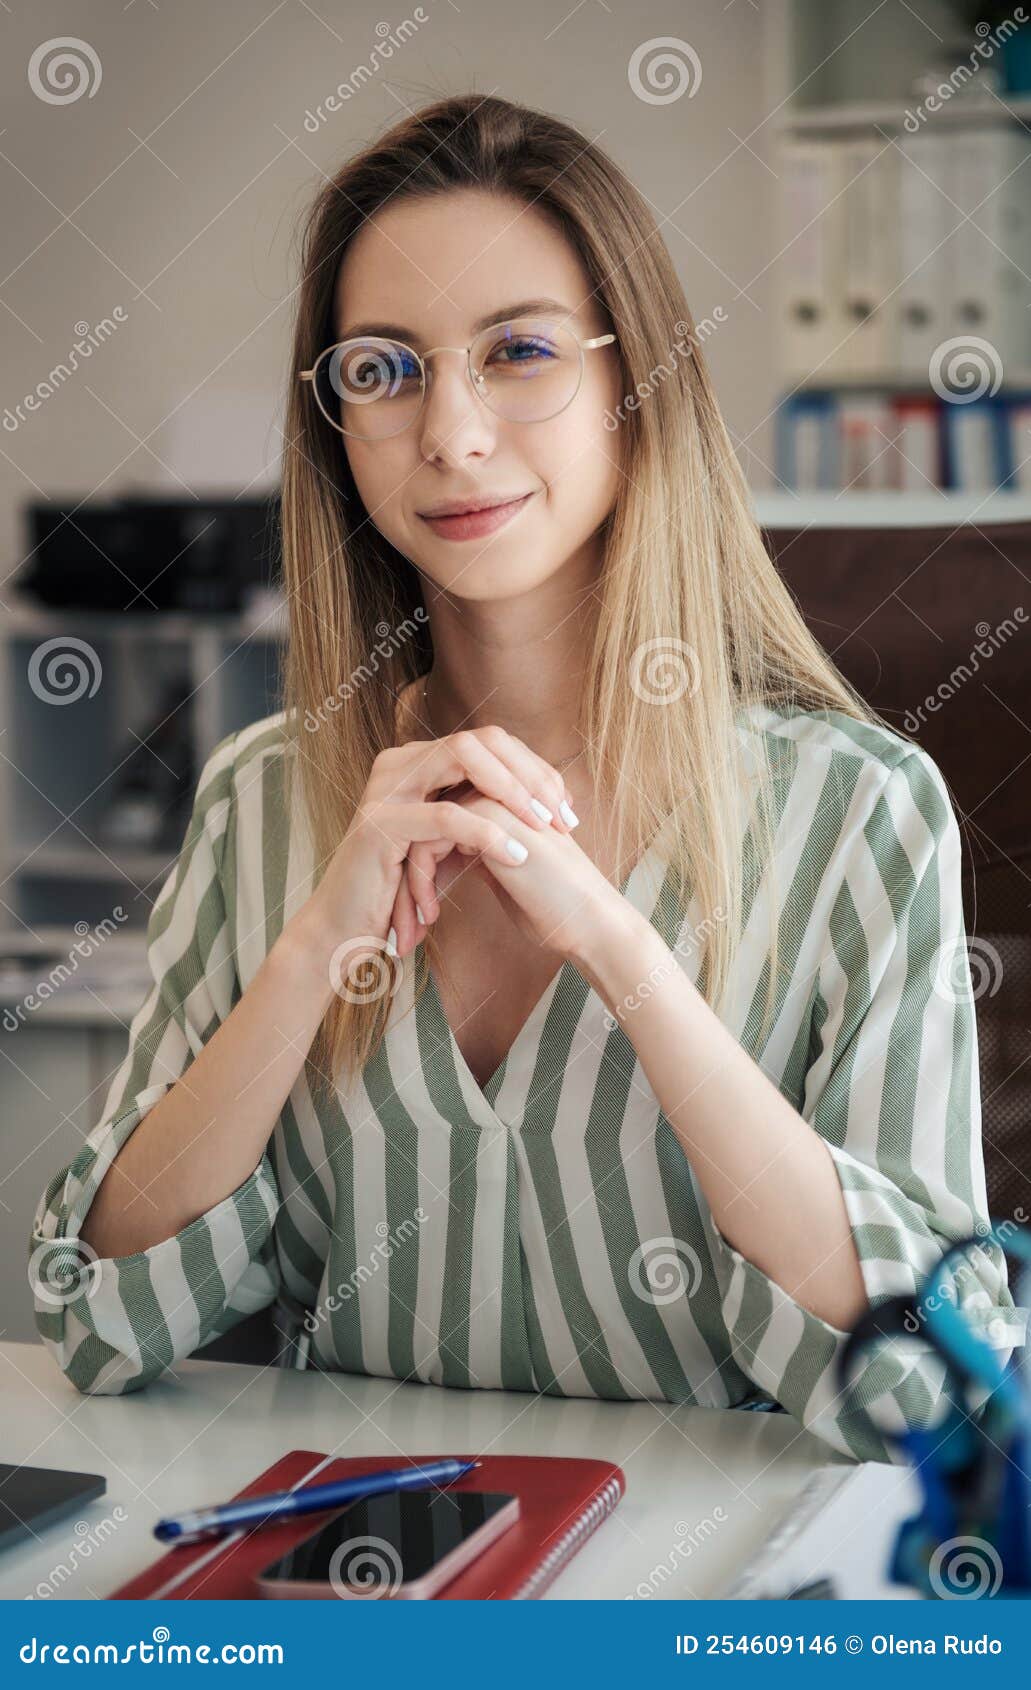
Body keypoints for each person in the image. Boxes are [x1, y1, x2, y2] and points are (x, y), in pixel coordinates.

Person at [30, 93, 1025, 1463]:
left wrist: (622, 948)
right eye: (383, 369)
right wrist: (318, 942)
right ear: (335, 425)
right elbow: (97, 1319)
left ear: (637, 387)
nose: (450, 431)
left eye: (519, 352)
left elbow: (925, 1384)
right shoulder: (264, 800)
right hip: (361, 1578)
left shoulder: (862, 813)